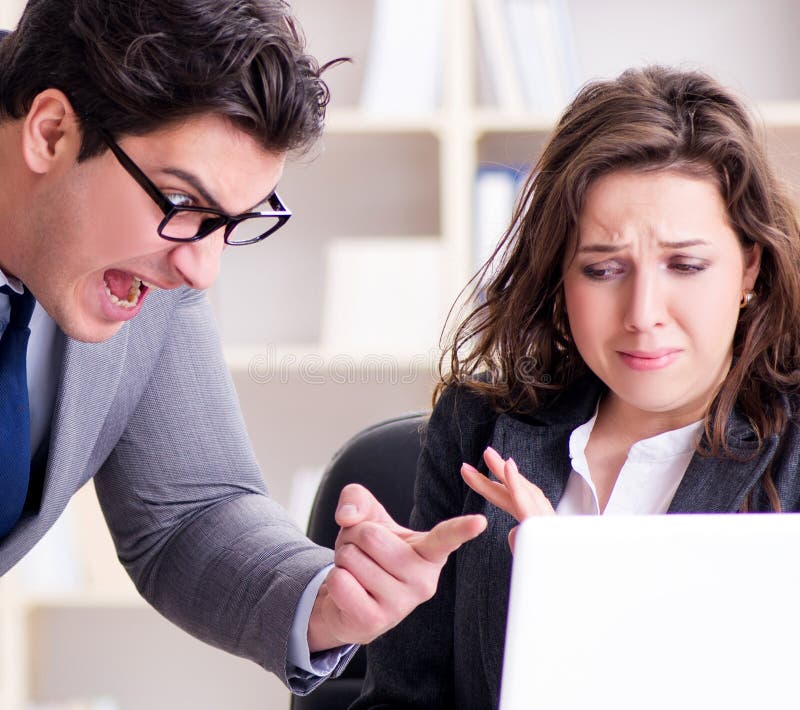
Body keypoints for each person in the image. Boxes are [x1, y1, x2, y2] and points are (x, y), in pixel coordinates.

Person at [0, 0, 487, 696]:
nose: (202, 270)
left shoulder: (150, 271)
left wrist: (324, 598)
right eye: (181, 204)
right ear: (51, 133)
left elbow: (190, 511)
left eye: (233, 223)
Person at [352, 65, 800, 709]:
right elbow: (401, 701)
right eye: (603, 269)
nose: (643, 313)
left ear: (750, 265)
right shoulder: (476, 427)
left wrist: (570, 583)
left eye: (685, 264)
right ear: (560, 274)